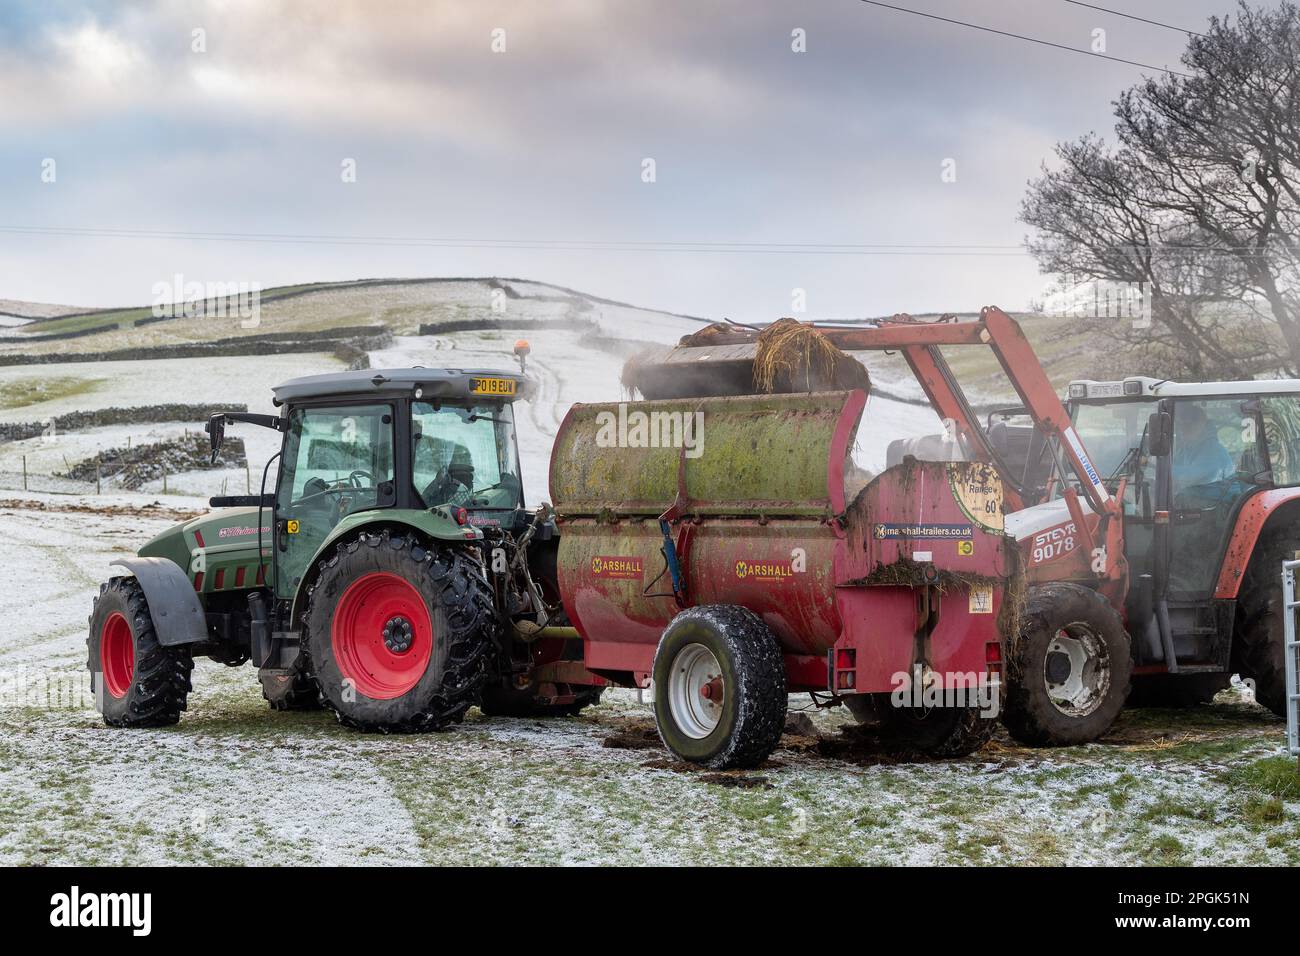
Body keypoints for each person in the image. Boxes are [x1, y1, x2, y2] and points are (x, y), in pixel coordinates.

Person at [1171, 403, 1234, 490]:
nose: (1182, 429)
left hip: (1217, 500)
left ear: (1201, 425)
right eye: (1180, 424)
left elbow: (1191, 476)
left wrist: (1164, 469)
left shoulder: (1212, 450)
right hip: (1194, 498)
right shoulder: (1186, 449)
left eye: (1187, 424)